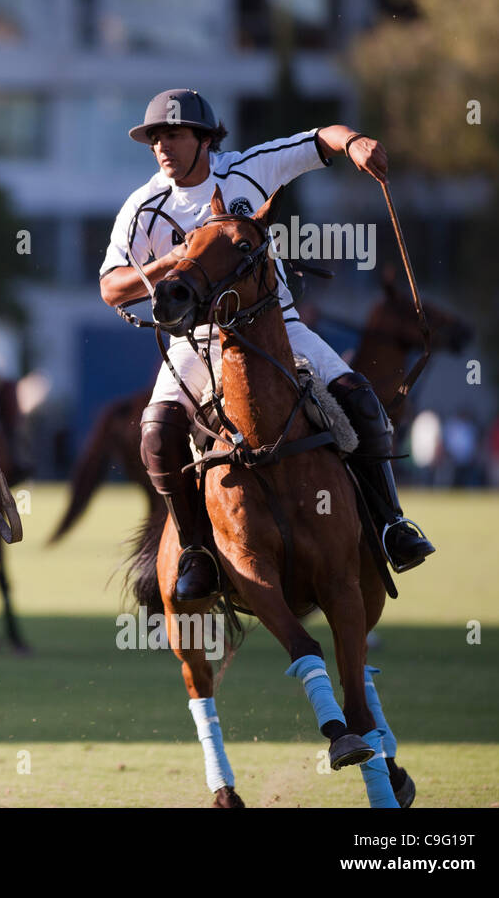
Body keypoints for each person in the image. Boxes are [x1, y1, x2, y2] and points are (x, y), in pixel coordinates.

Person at [100, 89, 435, 600]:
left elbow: (320, 140)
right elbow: (110, 286)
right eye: (155, 138)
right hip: (198, 339)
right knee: (154, 434)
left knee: (361, 397)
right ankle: (195, 551)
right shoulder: (143, 207)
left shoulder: (246, 170)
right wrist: (171, 263)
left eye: (174, 134)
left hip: (279, 328)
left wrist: (358, 142)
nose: (162, 147)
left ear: (206, 139)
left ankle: (391, 526)